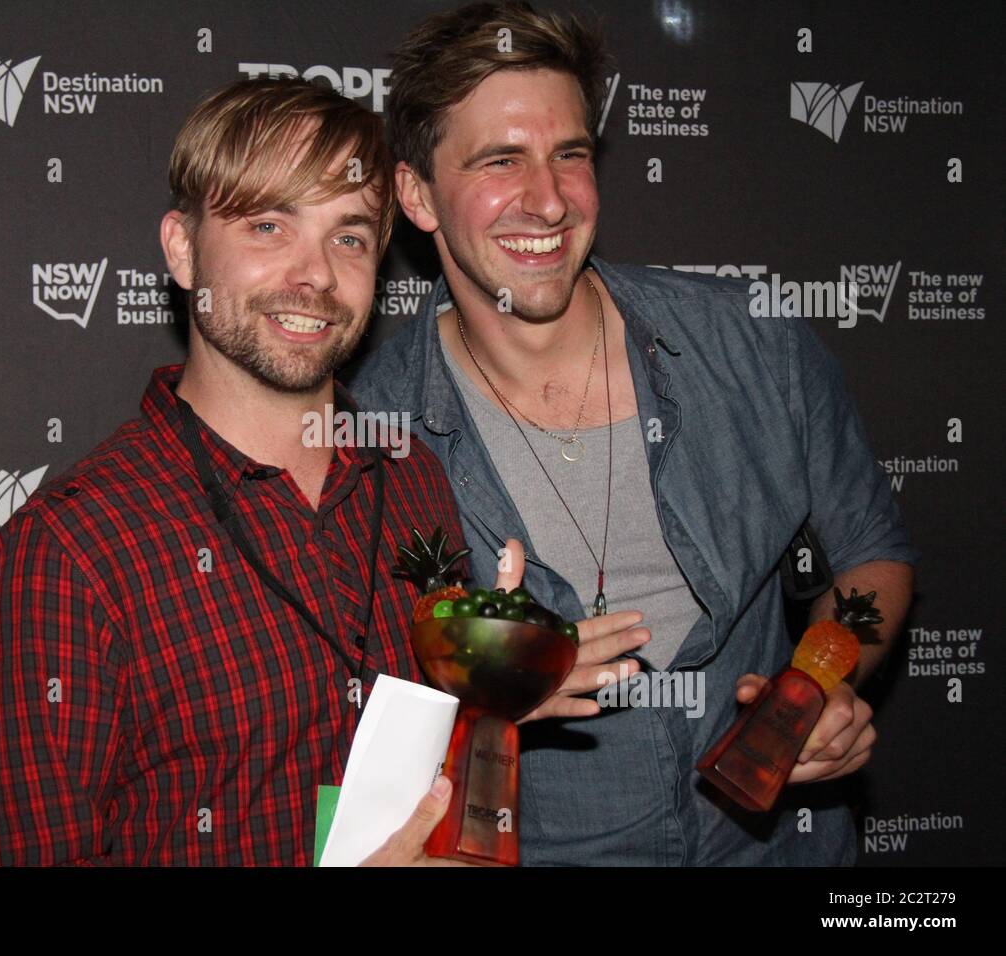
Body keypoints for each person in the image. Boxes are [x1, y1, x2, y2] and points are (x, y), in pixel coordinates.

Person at [0, 76, 629, 866]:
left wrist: (488, 685)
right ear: (182, 248)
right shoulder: (66, 556)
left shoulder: (411, 476)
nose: (313, 276)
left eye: (347, 237)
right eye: (269, 226)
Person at [351, 1, 918, 866]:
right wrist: (485, 700)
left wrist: (815, 688)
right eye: (502, 160)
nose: (548, 200)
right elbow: (353, 703)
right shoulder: (371, 431)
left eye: (569, 155)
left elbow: (871, 553)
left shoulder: (753, 342)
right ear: (417, 195)